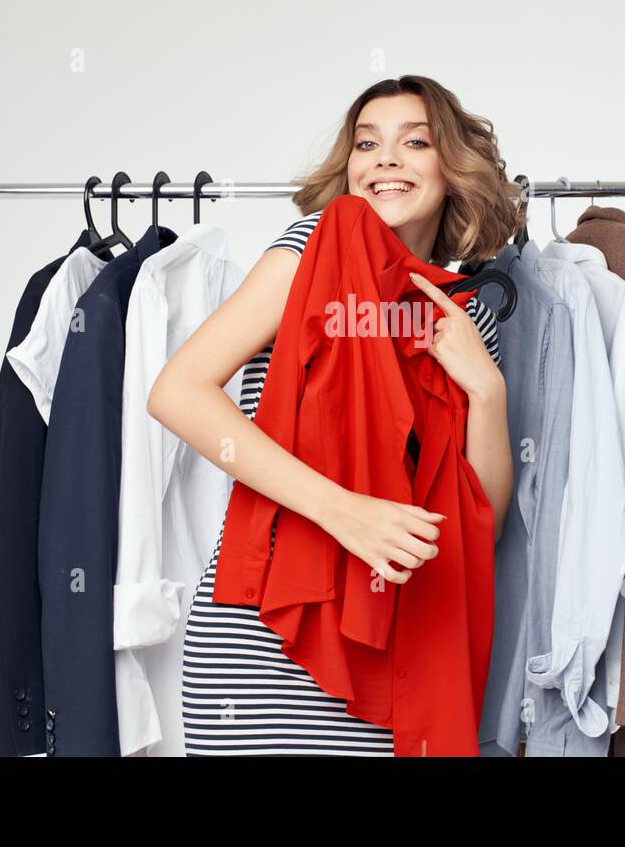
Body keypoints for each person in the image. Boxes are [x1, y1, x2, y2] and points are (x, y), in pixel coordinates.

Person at [149, 75, 522, 755]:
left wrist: (487, 388)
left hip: (402, 647)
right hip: (265, 646)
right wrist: (342, 509)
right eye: (366, 143)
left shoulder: (465, 314)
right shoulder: (307, 253)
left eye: (415, 142)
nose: (385, 158)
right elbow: (178, 391)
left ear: (452, 169)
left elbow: (483, 523)